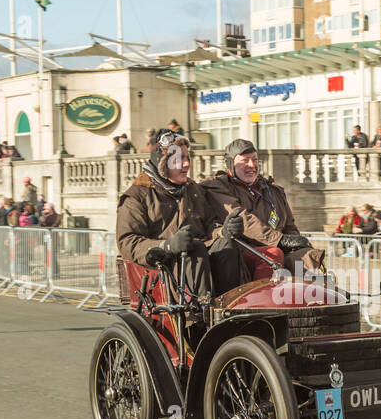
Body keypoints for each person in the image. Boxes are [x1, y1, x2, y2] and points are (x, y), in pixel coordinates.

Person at [116, 130, 240, 305]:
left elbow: (211, 223)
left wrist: (222, 231)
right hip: (165, 270)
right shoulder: (137, 196)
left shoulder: (193, 189)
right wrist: (167, 245)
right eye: (179, 159)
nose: (187, 164)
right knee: (194, 248)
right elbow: (127, 242)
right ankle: (198, 311)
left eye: (187, 157)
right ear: (162, 163)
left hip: (200, 262)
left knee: (227, 244)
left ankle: (230, 304)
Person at [201, 137, 324, 277]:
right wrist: (280, 240)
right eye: (244, 160)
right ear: (230, 164)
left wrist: (298, 245)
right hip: (241, 252)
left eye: (254, 159)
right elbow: (242, 218)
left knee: (307, 257)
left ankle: (307, 296)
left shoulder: (273, 191)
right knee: (273, 254)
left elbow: (289, 226)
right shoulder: (218, 187)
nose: (251, 165)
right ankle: (262, 298)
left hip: (274, 248)